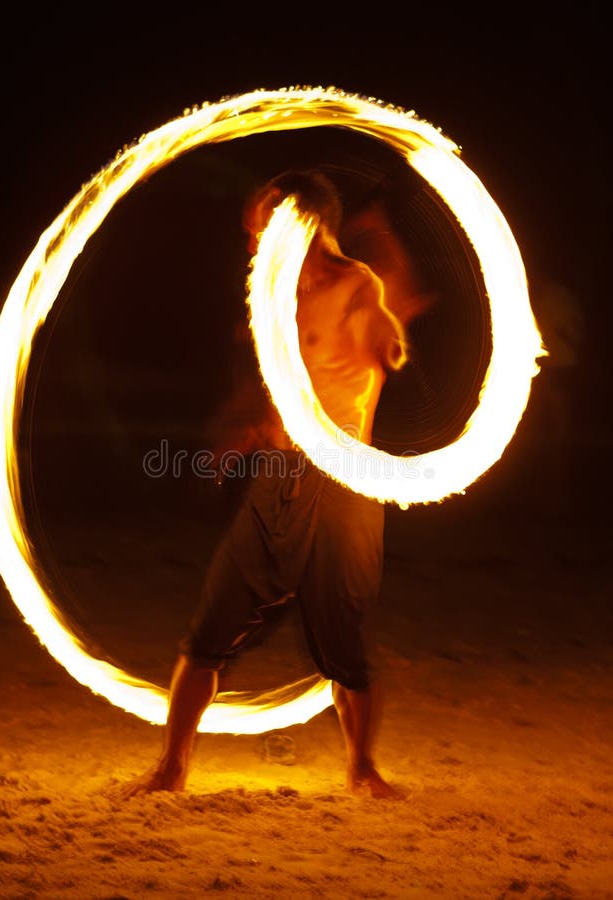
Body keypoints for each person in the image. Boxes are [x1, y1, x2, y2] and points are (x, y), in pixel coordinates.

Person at [119, 170, 410, 799]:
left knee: (346, 637)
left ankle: (362, 768)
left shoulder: (359, 286)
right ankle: (171, 768)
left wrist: (388, 338)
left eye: (263, 228)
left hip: (345, 482)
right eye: (252, 233)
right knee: (212, 625)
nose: (255, 245)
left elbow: (385, 345)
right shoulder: (273, 300)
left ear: (302, 224)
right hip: (279, 478)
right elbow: (267, 387)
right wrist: (245, 430)